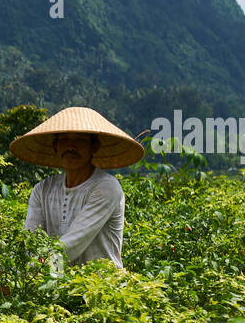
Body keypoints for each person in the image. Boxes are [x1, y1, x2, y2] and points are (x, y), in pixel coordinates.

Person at [9, 107, 145, 269]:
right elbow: (29, 239)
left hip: (104, 282)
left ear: (94, 147)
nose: (71, 147)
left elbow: (71, 246)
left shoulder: (106, 188)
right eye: (64, 140)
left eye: (80, 140)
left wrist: (32, 269)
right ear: (55, 146)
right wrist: (16, 269)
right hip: (54, 281)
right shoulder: (42, 190)